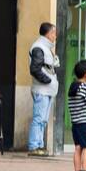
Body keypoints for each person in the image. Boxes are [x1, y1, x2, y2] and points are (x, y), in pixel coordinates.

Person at [27, 21, 60, 156]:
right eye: (54, 33)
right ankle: (34, 145)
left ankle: (39, 145)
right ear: (48, 33)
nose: (55, 36)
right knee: (39, 118)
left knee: (43, 119)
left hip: (47, 89)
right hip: (42, 88)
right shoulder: (39, 47)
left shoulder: (44, 47)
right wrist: (48, 80)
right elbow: (35, 68)